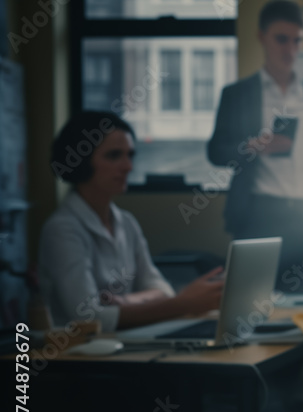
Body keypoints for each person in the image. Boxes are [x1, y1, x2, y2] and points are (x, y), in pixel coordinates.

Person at [207, 0, 303, 293]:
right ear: (262, 37)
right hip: (259, 215)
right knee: (250, 302)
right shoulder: (237, 95)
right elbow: (216, 151)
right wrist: (250, 146)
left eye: (297, 40)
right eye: (281, 39)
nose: (289, 49)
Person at [39, 111, 223, 332]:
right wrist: (181, 304)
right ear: (80, 160)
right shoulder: (62, 229)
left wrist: (126, 302)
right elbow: (89, 318)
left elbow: (162, 291)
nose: (128, 166)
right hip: (79, 354)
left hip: (127, 340)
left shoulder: (126, 222)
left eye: (130, 155)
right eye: (114, 155)